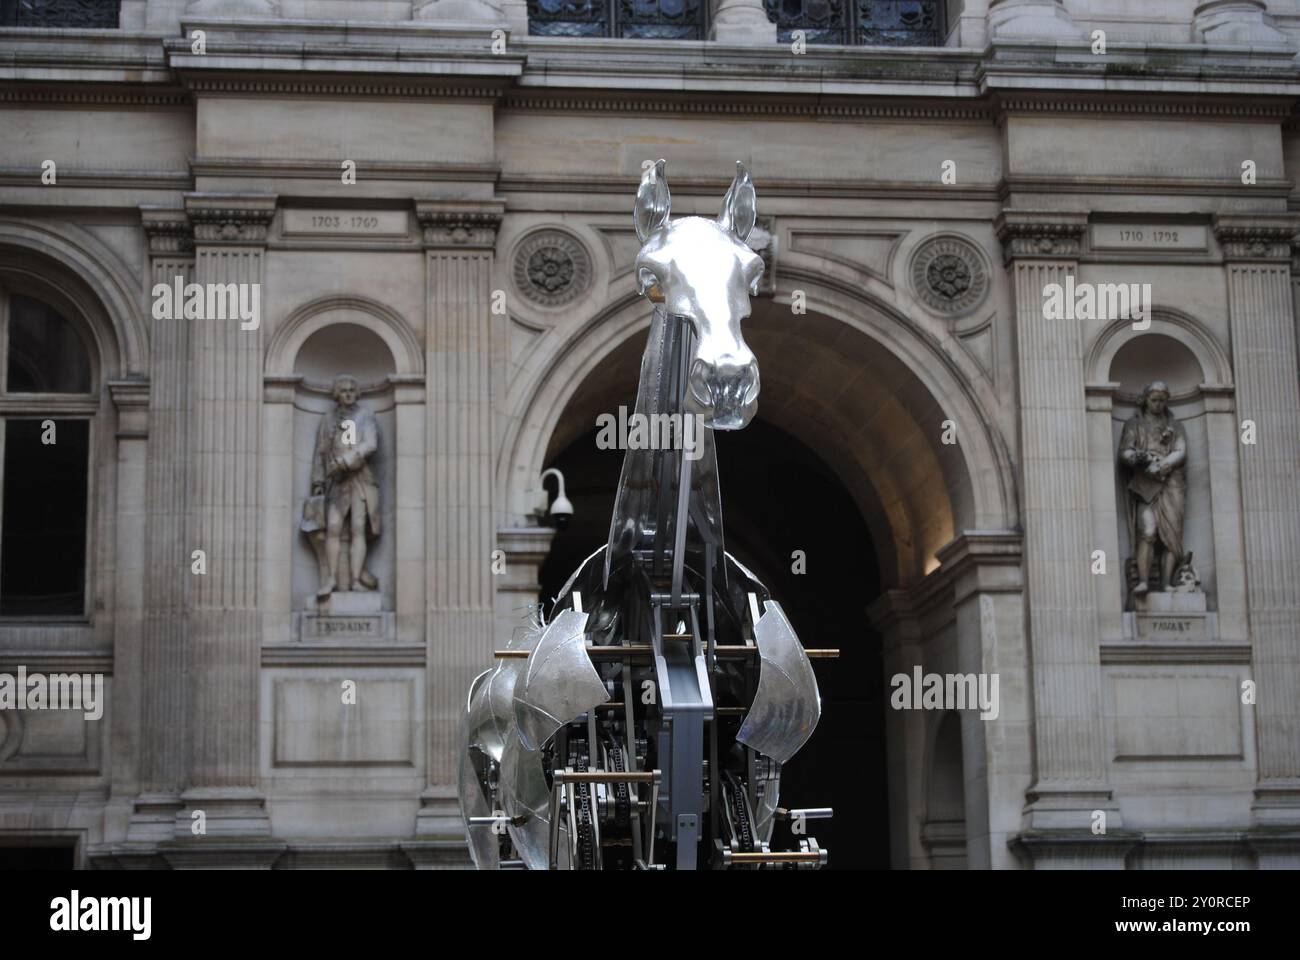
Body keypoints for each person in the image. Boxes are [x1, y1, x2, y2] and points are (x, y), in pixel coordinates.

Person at [310, 374, 380, 596]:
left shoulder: (365, 416)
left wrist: (346, 461)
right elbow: (320, 451)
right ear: (337, 394)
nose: (349, 393)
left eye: (352, 389)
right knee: (333, 528)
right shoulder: (328, 419)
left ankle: (357, 579)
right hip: (336, 481)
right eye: (344, 390)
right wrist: (318, 481)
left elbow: (370, 444)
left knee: (359, 528)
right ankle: (331, 579)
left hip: (360, 479)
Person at [1118, 381, 1186, 595]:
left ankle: (1166, 583)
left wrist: (1164, 464)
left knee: (1172, 534)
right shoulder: (1133, 425)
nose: (1158, 404)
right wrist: (1143, 460)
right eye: (1154, 400)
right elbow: (1125, 452)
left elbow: (1181, 450)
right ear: (1145, 400)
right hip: (1145, 483)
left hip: (1170, 482)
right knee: (1147, 531)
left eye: (1162, 401)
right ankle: (1144, 580)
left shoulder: (1175, 426)